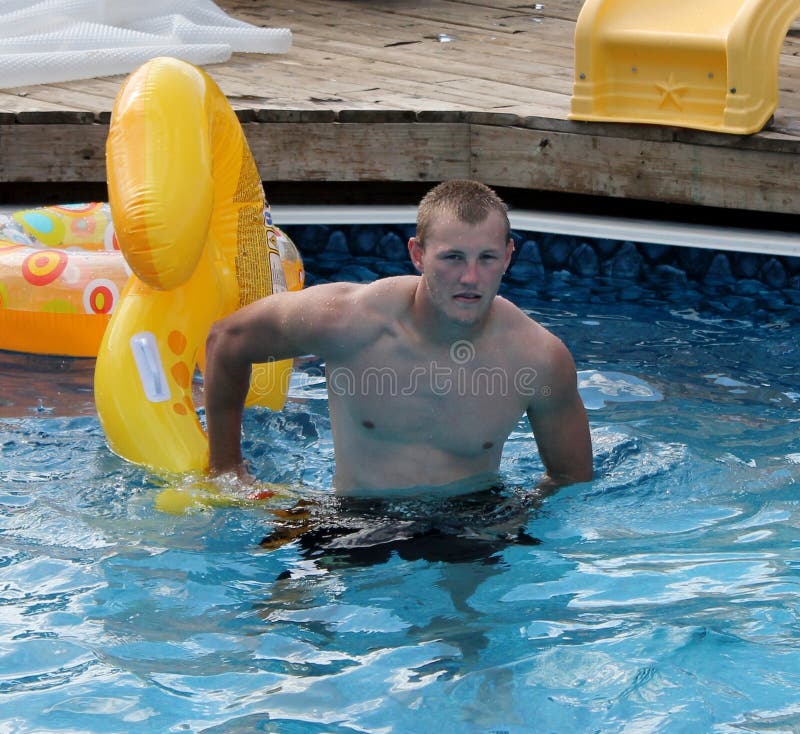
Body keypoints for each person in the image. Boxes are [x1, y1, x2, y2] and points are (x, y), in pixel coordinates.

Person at [204, 180, 593, 499]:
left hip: (472, 522)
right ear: (418, 254)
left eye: (487, 258)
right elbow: (226, 340)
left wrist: (515, 520)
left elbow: (571, 481)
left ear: (508, 257)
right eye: (453, 257)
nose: (470, 277)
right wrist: (227, 468)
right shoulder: (347, 321)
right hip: (355, 518)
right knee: (285, 597)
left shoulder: (538, 360)